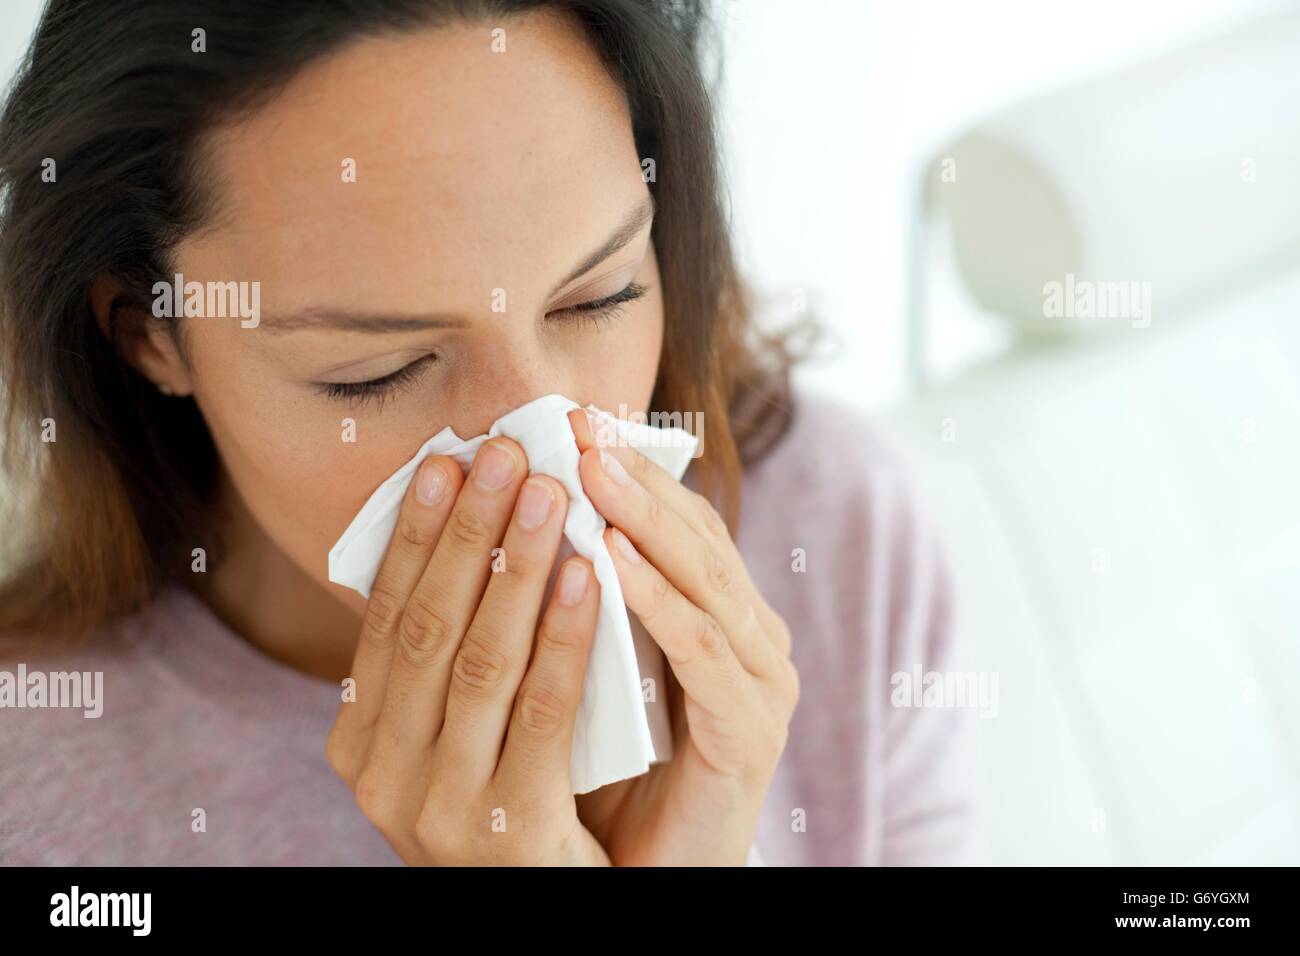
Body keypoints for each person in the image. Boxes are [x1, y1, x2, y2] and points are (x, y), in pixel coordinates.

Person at [0, 0, 977, 866]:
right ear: (149, 336)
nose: (537, 445)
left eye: (599, 297)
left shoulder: (837, 529)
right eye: (375, 371)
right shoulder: (34, 776)